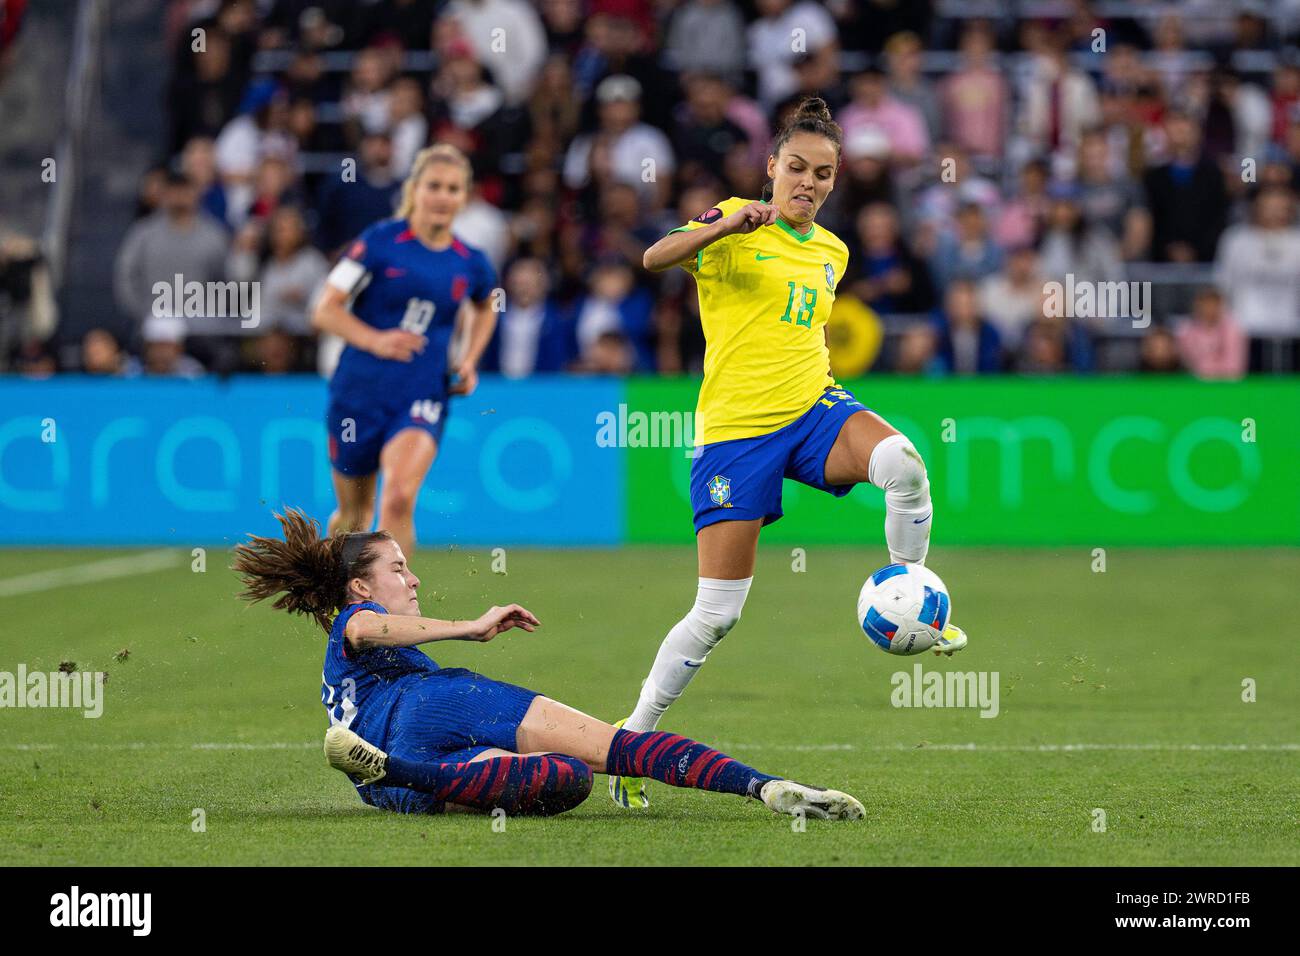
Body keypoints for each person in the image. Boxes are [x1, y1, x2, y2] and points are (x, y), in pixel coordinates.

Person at [613, 97, 967, 810]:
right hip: (735, 437)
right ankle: (629, 743)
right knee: (717, 614)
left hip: (812, 412)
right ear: (772, 166)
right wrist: (723, 226)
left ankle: (913, 600)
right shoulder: (733, 220)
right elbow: (653, 258)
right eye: (797, 168)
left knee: (904, 466)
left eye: (823, 173)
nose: (807, 182)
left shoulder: (833, 251)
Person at [232, 509, 865, 821]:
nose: (413, 575)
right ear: (360, 588)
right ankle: (764, 788)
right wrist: (470, 627)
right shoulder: (355, 624)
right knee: (613, 748)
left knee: (565, 780)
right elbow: (373, 627)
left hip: (392, 783)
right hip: (435, 705)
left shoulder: (353, 665)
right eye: (397, 568)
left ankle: (397, 769)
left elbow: (383, 633)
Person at [311, 143, 497, 557]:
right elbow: (325, 310)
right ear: (415, 189)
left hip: (423, 393)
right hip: (359, 392)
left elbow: (487, 306)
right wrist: (377, 340)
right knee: (353, 518)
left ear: (463, 197)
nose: (443, 197)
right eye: (434, 186)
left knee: (397, 497)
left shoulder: (471, 261)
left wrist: (469, 360)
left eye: (453, 189)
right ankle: (333, 600)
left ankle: (392, 615)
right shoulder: (378, 242)